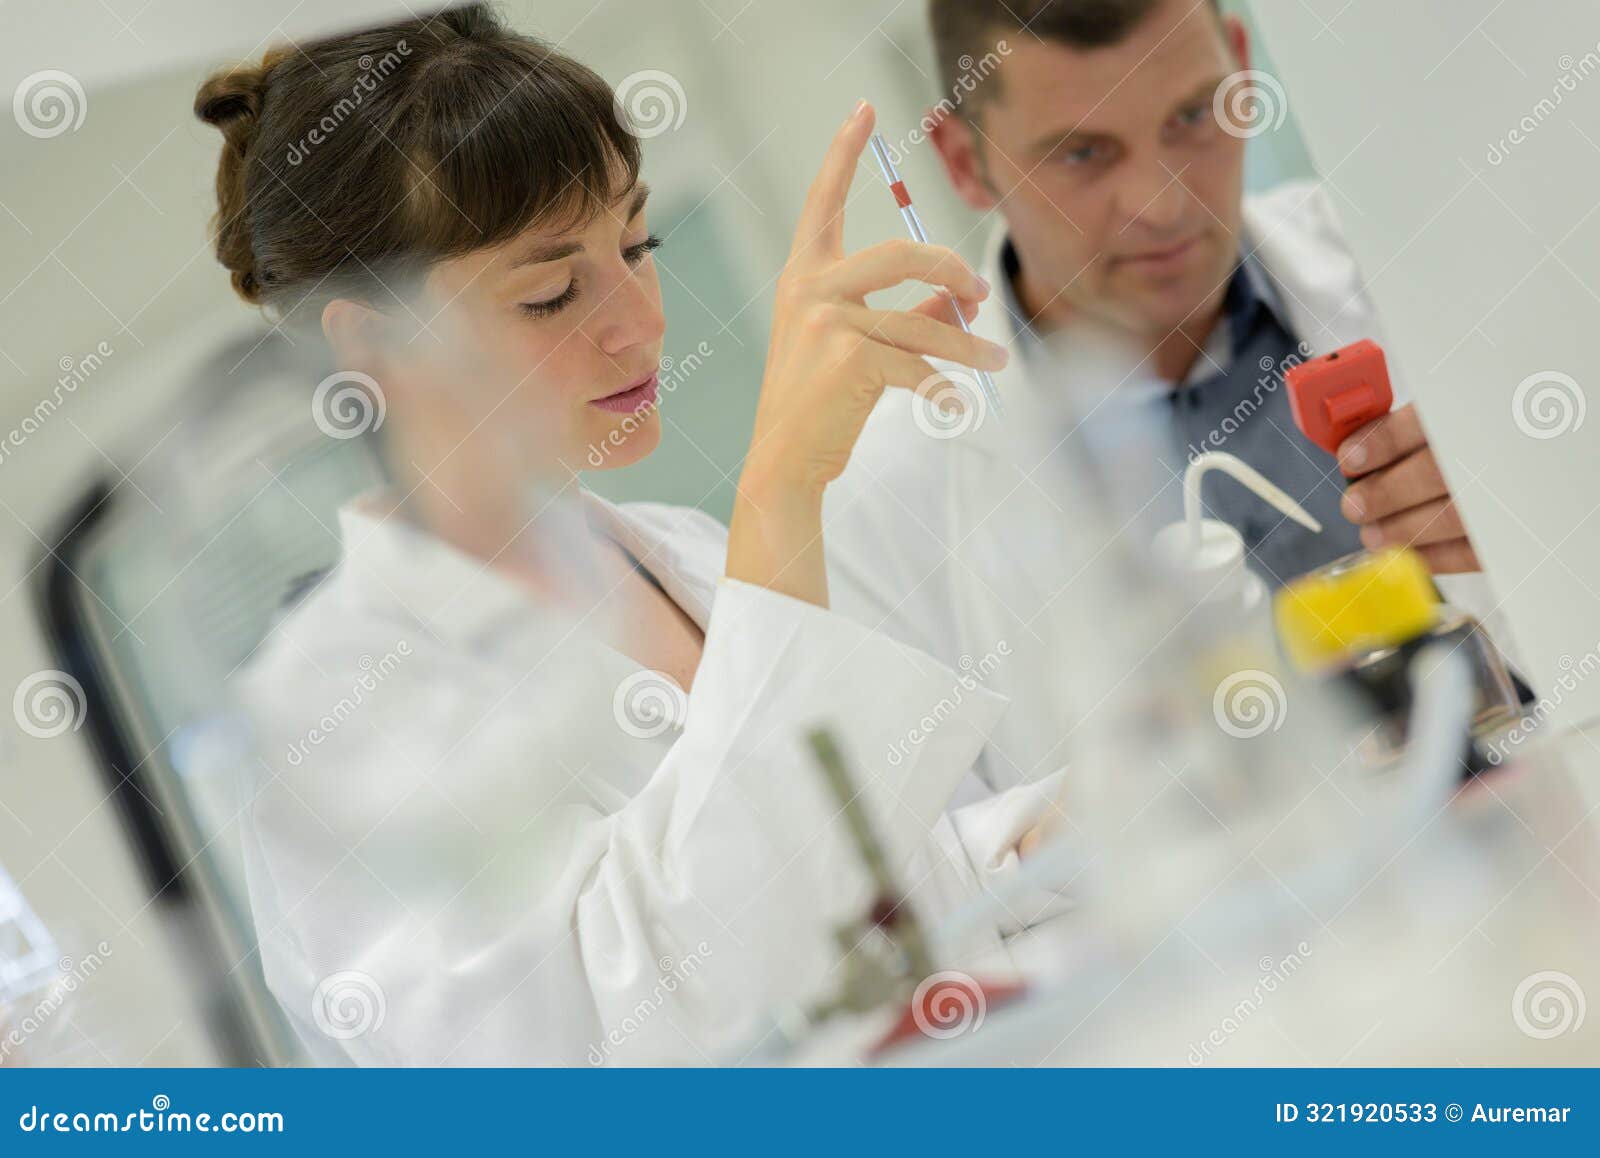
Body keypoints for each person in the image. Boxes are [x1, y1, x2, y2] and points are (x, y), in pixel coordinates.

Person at [197, 5, 1064, 1065]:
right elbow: (621, 1036)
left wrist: (1057, 835)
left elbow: (885, 884)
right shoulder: (335, 721)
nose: (641, 320)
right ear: (376, 344)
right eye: (553, 293)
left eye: (635, 243)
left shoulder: (675, 554)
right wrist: (781, 491)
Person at [823, 0, 1495, 793]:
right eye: (1082, 155)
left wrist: (1539, 529)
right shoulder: (886, 497)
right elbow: (933, 873)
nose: (1163, 203)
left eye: (1192, 115)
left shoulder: (1437, 264)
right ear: (965, 160)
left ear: (1242, 68)